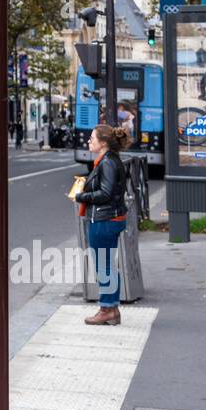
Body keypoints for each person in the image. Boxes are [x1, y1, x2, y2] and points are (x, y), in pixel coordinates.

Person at [75, 124, 131, 326]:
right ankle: (111, 309)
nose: (88, 141)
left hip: (104, 219)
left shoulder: (107, 162)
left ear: (103, 142)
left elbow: (105, 194)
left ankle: (107, 309)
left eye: (92, 138)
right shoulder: (110, 160)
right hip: (111, 218)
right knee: (107, 265)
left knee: (103, 266)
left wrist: (81, 196)